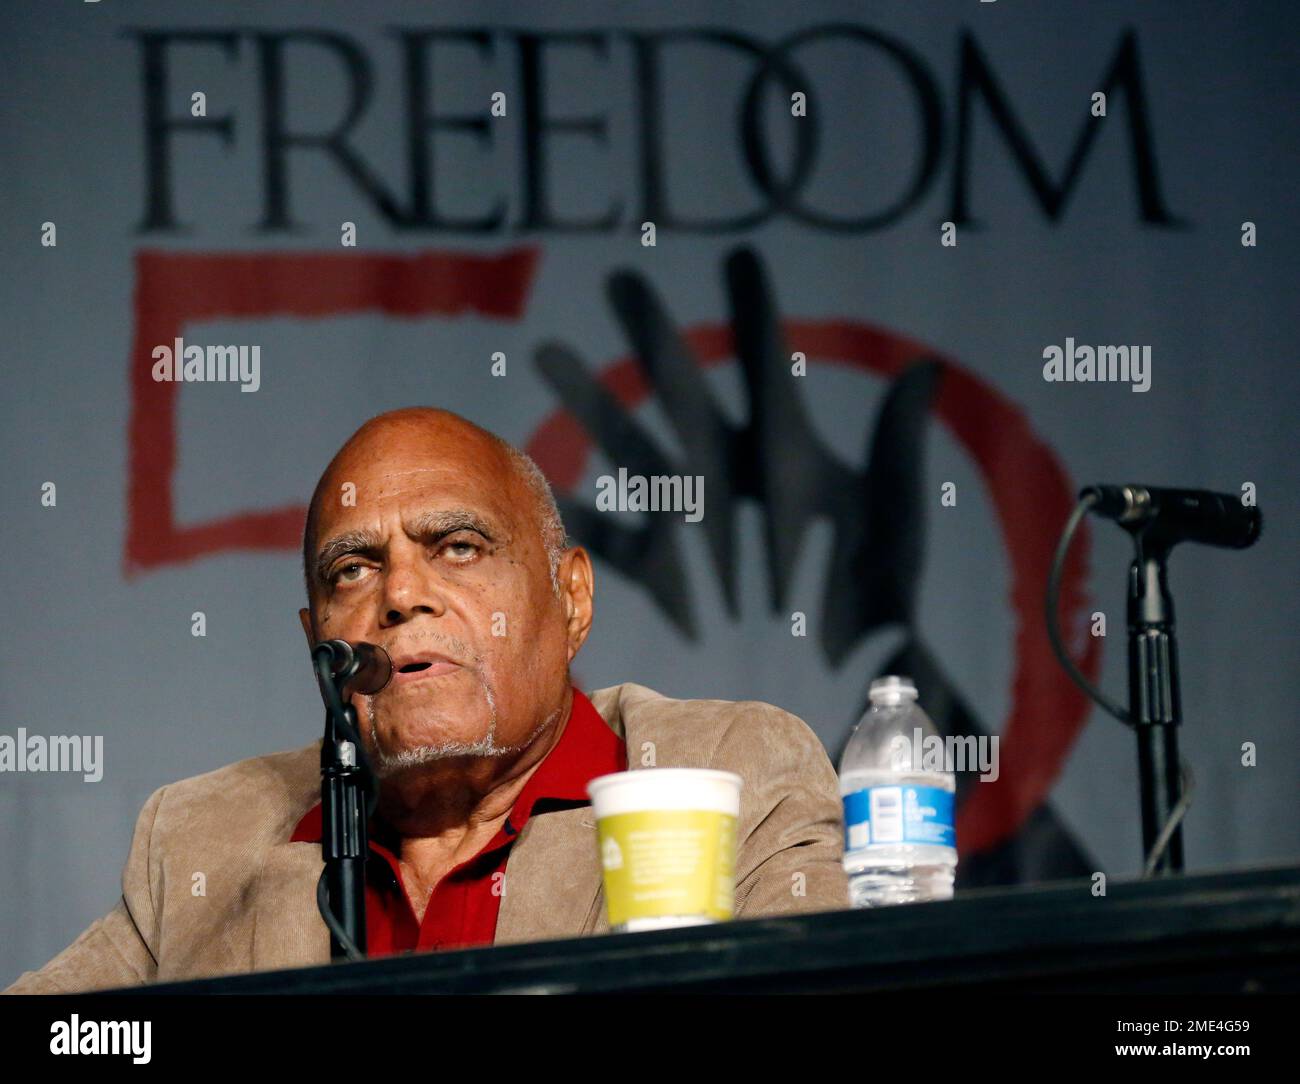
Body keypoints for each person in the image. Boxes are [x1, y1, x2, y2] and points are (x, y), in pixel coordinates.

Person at [6, 407, 847, 993]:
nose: (402, 593)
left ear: (572, 600)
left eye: (458, 546)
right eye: (353, 569)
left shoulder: (725, 773)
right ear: (319, 644)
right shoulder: (202, 834)